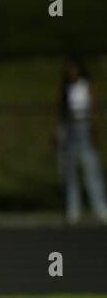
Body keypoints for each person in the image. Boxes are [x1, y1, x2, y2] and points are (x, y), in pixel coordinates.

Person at [58, 57, 107, 224]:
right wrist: (61, 133)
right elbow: (63, 113)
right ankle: (73, 209)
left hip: (84, 127)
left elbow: (92, 108)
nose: (71, 73)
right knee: (70, 170)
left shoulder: (86, 86)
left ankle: (100, 207)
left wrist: (94, 129)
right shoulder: (66, 88)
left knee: (91, 168)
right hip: (71, 128)